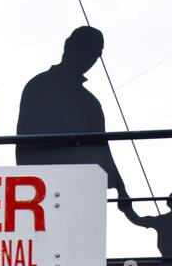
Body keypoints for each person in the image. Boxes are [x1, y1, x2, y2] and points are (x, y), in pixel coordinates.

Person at [15, 26, 125, 198]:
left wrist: (119, 187)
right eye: (88, 50)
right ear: (69, 45)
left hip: (68, 190)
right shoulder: (40, 87)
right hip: (45, 188)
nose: (90, 59)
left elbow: (100, 149)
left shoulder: (89, 103)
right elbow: (26, 145)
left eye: (95, 54)